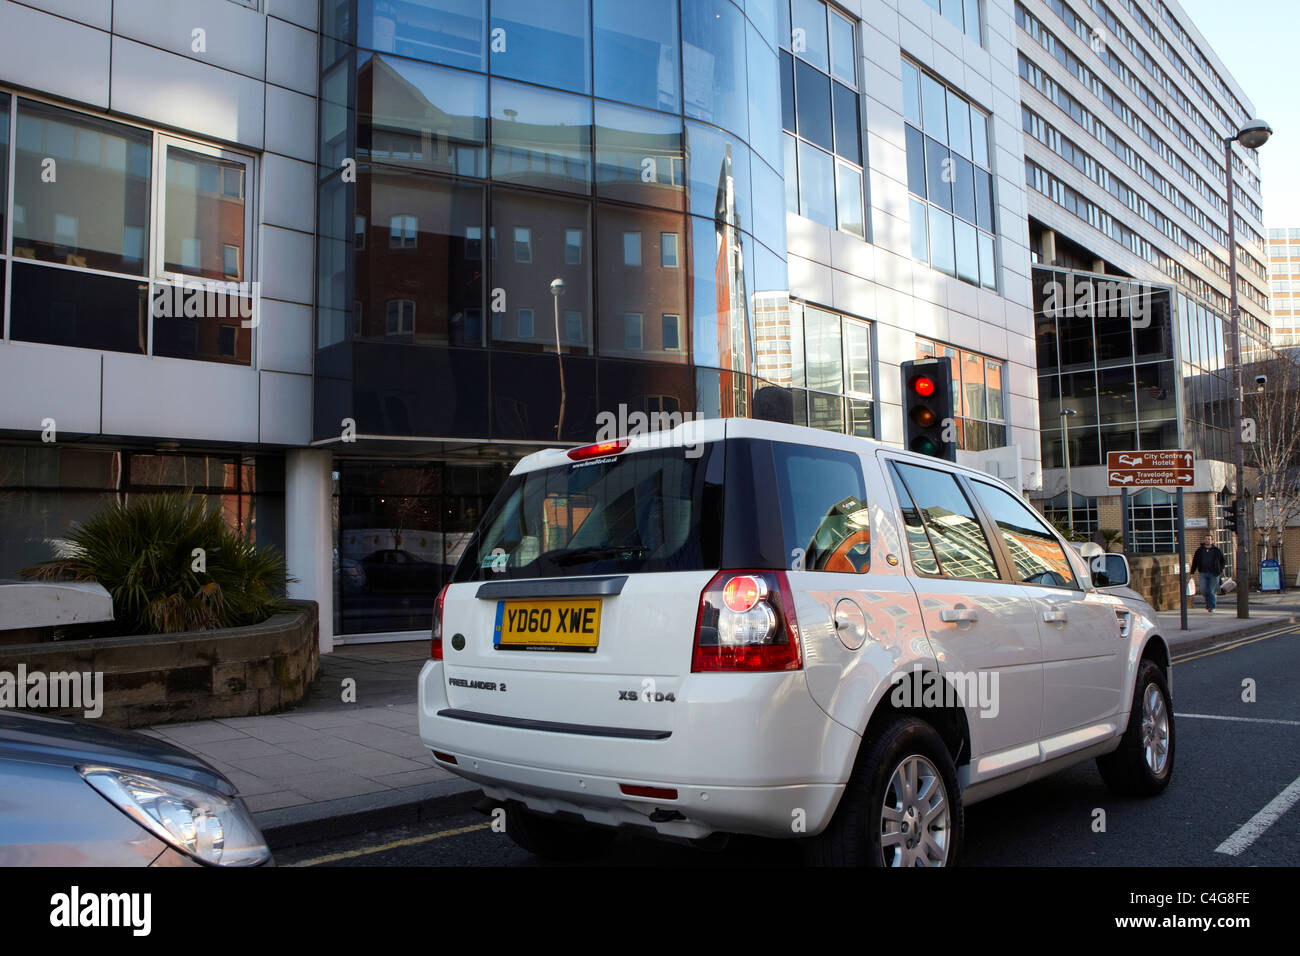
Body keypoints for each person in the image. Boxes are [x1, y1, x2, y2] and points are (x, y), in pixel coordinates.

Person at [1189, 534, 1227, 613]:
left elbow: (1223, 561)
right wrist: (1192, 572)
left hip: (1214, 573)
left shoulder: (1216, 550)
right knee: (1203, 590)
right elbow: (1195, 561)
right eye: (1206, 539)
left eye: (1209, 539)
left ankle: (1212, 607)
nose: (1207, 540)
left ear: (1212, 541)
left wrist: (1220, 569)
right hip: (1203, 572)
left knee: (1211, 590)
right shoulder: (1199, 550)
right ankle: (1208, 602)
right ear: (1204, 540)